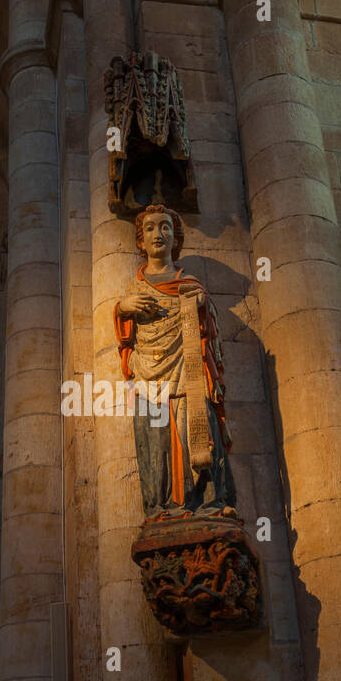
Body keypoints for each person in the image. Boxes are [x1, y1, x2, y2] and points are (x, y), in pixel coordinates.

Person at [114, 204, 236, 521]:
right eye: (151, 228)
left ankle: (209, 502)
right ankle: (162, 506)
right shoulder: (135, 289)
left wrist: (201, 306)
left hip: (189, 371)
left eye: (166, 227)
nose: (159, 234)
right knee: (157, 439)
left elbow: (209, 330)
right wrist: (123, 310)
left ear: (175, 237)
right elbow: (127, 341)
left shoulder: (191, 285)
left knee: (195, 428)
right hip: (148, 375)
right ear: (140, 241)